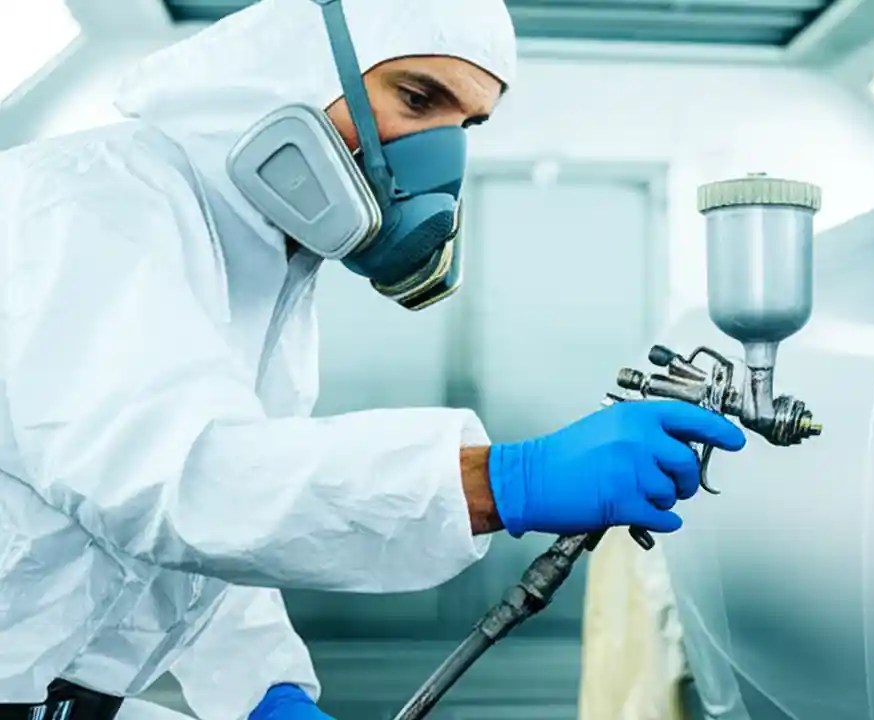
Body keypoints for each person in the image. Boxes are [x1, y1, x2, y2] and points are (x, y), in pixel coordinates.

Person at [0, 0, 745, 718]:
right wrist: (505, 478)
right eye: (417, 98)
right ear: (296, 72)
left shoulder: (267, 269)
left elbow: (229, 529)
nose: (441, 159)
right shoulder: (90, 201)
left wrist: (262, 690)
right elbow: (181, 483)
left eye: (467, 125)